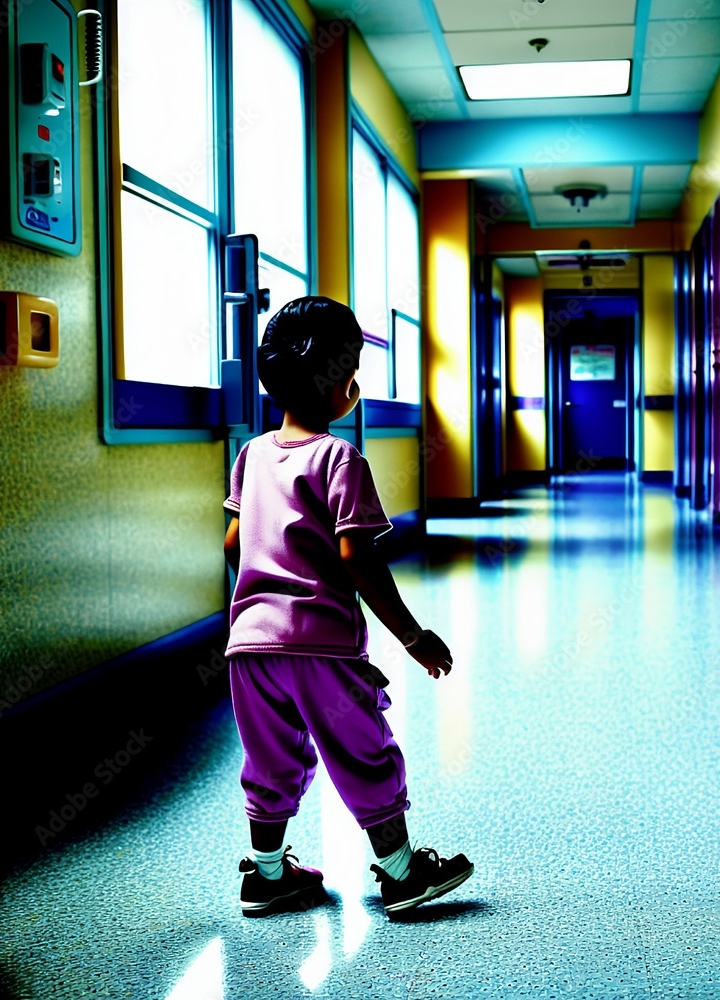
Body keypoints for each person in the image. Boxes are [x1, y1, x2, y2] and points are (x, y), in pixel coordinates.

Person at [222, 295, 473, 919]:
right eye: (352, 369)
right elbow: (359, 559)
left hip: (249, 648)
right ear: (336, 384)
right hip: (322, 647)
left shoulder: (251, 456)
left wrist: (266, 592)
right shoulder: (340, 459)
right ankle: (401, 872)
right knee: (362, 747)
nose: (355, 383)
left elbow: (234, 544)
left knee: (271, 758)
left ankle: (269, 874)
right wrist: (412, 637)